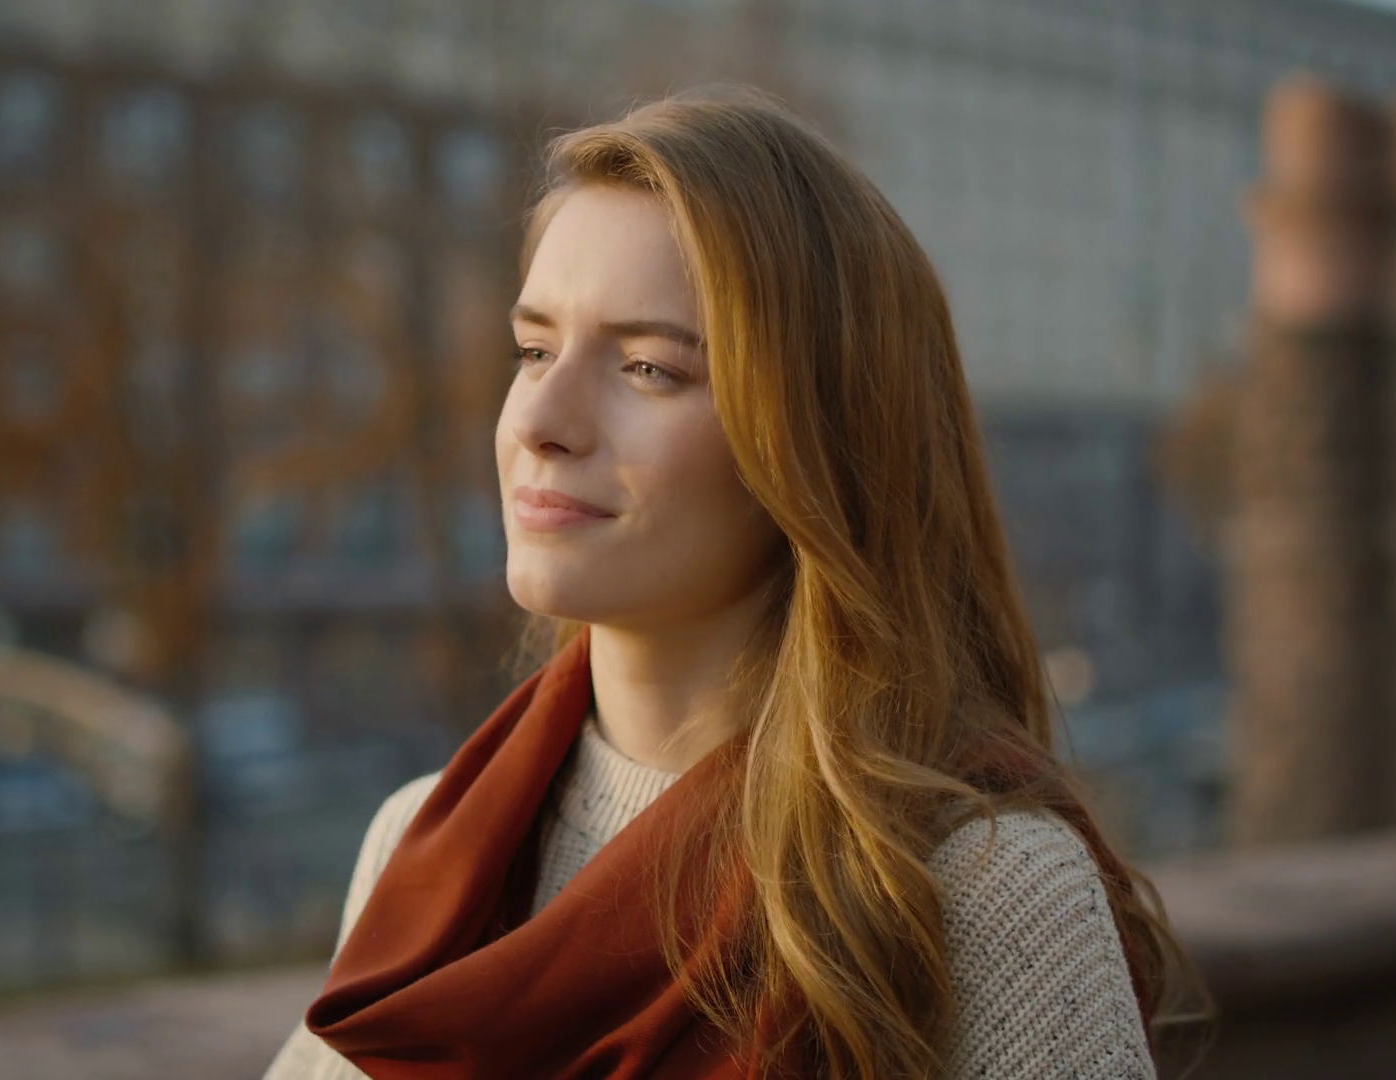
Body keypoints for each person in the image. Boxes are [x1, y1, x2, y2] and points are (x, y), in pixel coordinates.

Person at [263, 88, 1197, 1080]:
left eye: (648, 369)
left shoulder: (986, 899)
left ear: (818, 445)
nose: (539, 420)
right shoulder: (422, 858)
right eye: (534, 350)